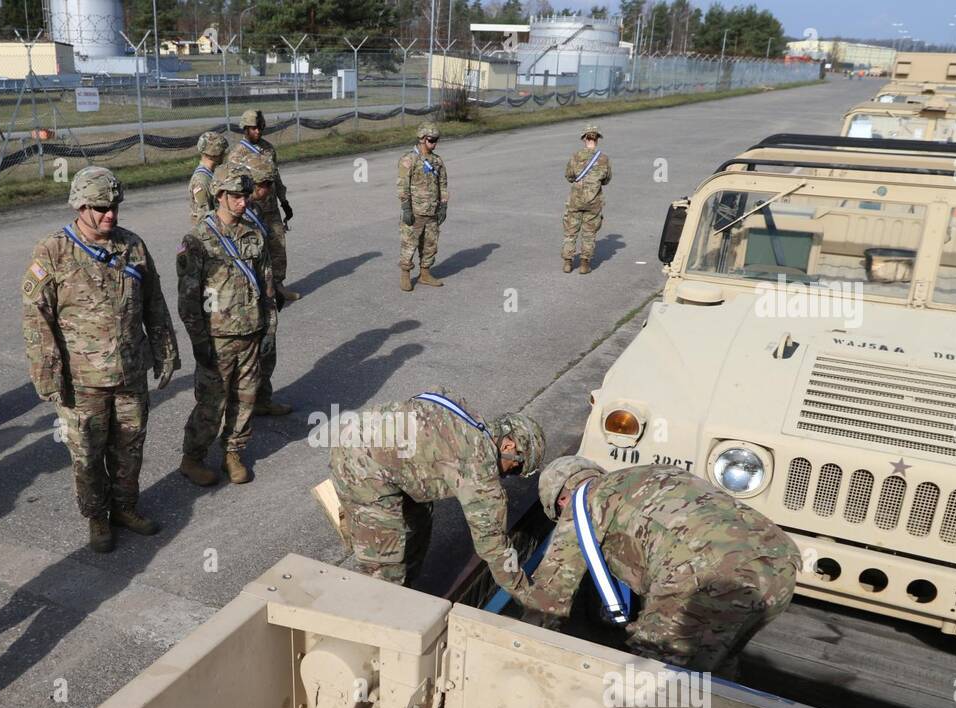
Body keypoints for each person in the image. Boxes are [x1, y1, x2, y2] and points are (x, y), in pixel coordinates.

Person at [21, 166, 180, 552]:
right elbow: (35, 315)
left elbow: (154, 302)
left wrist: (165, 349)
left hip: (130, 371)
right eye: (100, 207)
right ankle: (96, 516)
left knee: (130, 446)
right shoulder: (53, 251)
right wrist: (46, 372)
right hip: (82, 380)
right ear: (79, 206)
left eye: (114, 206)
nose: (110, 214)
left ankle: (125, 507)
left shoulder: (133, 247)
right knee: (88, 454)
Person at [522, 456, 800, 674]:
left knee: (649, 681)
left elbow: (548, 595)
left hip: (707, 575)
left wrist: (518, 651)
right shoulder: (650, 474)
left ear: (561, 500)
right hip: (779, 561)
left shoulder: (583, 504)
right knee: (712, 663)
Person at [330, 388, 545, 595]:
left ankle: (401, 583)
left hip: (371, 445)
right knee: (385, 568)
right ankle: (378, 610)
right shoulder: (479, 469)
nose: (506, 477)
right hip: (361, 468)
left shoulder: (465, 414)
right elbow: (494, 549)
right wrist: (527, 593)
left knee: (419, 521)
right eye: (515, 469)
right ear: (508, 447)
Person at [176, 166, 278, 487]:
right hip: (217, 337)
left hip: (251, 332)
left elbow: (267, 287)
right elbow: (188, 299)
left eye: (246, 196)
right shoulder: (198, 240)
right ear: (220, 195)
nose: (243, 202)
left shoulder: (254, 233)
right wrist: (198, 341)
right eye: (235, 196)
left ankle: (233, 452)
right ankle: (192, 458)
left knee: (245, 399)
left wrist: (269, 330)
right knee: (212, 402)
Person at [226, 150, 292, 416]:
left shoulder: (255, 211)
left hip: (263, 293)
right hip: (238, 303)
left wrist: (274, 286)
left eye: (269, 185)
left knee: (267, 353)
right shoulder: (232, 215)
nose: (265, 191)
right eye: (261, 185)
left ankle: (262, 400)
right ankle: (237, 411)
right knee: (240, 363)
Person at [234, 109, 299, 303]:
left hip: (271, 209)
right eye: (253, 128)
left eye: (260, 127)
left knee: (278, 247)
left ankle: (278, 286)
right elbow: (232, 185)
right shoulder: (237, 155)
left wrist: (284, 201)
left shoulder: (269, 149)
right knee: (253, 252)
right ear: (245, 129)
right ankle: (255, 292)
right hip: (250, 211)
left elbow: (275, 177)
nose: (257, 132)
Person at [397, 124, 448, 292]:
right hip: (415, 212)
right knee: (409, 244)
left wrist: (443, 205)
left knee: (430, 245)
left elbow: (443, 184)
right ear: (421, 139)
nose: (434, 143)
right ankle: (405, 275)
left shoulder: (437, 161)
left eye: (436, 140)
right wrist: (406, 208)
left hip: (432, 211)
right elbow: (402, 185)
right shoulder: (409, 159)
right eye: (431, 140)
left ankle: (425, 274)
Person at [562, 125, 613, 274]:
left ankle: (567, 263)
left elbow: (569, 176)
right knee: (589, 233)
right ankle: (584, 264)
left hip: (575, 201)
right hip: (594, 202)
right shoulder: (603, 159)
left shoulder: (576, 156)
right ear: (597, 139)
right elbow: (607, 179)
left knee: (570, 232)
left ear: (584, 138)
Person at [189, 131, 228, 225]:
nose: (224, 154)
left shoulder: (212, 173)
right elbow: (204, 216)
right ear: (215, 153)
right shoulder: (201, 181)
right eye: (222, 151)